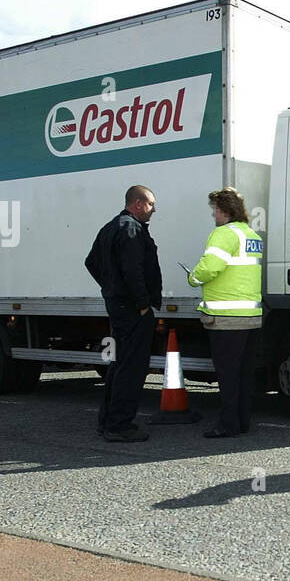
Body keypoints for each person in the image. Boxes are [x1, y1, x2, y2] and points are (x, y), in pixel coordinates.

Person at [85, 185, 162, 442]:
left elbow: (91, 262)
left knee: (119, 365)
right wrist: (141, 303)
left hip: (119, 308)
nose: (154, 209)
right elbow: (133, 270)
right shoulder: (131, 229)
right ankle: (119, 426)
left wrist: (110, 287)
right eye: (151, 204)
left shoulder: (110, 227)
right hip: (132, 310)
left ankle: (107, 421)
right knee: (132, 368)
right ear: (138, 203)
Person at [187, 188, 263, 438]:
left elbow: (210, 267)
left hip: (227, 318)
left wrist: (193, 277)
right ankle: (242, 421)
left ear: (224, 211)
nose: (213, 215)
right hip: (251, 317)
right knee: (243, 374)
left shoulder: (223, 234)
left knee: (227, 375)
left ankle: (228, 424)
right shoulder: (251, 235)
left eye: (215, 210)